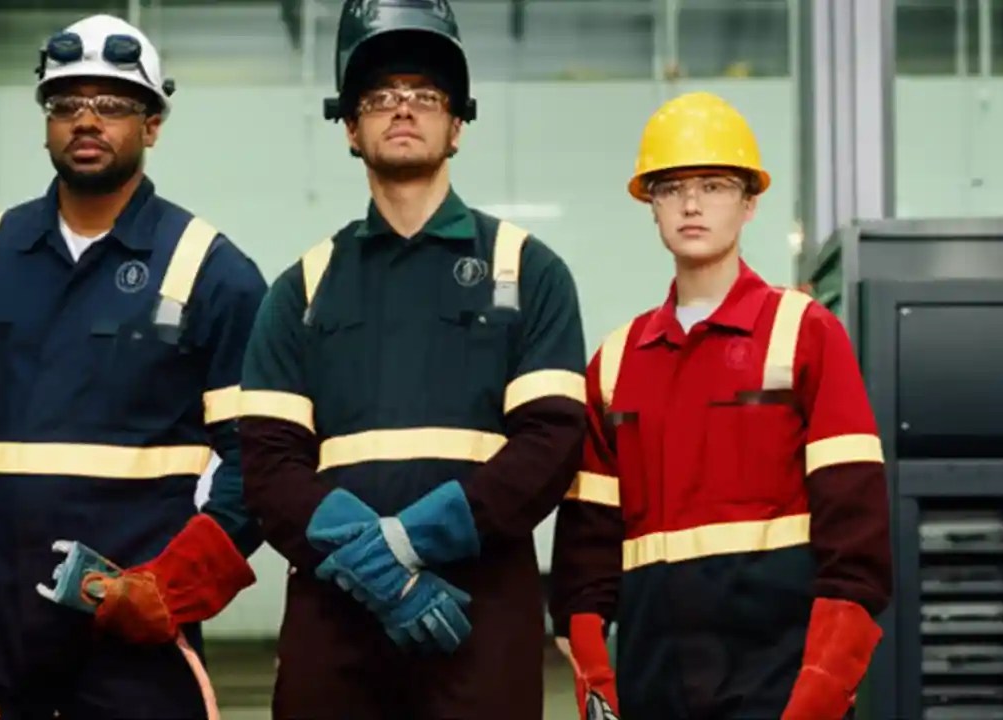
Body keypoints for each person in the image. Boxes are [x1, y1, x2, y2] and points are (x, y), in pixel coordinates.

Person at [0, 13, 265, 718]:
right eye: (66, 105)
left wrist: (169, 589)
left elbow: (258, 461)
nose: (86, 121)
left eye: (112, 105)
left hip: (130, 629)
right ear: (47, 122)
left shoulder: (212, 272)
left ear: (152, 126)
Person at [237, 0, 588, 717]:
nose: (403, 110)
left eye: (425, 96)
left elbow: (550, 444)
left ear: (458, 125)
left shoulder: (527, 271)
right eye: (381, 97)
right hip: (333, 628)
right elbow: (270, 467)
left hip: (478, 620)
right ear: (350, 128)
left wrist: (407, 539)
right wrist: (377, 569)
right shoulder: (301, 287)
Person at [548, 90, 894, 720]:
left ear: (749, 200)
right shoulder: (617, 362)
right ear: (650, 205)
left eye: (713, 185)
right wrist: (598, 683)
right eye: (670, 187)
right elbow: (585, 557)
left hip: (783, 691)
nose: (691, 204)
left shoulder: (805, 333)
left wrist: (821, 693)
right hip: (655, 691)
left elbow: (857, 540)